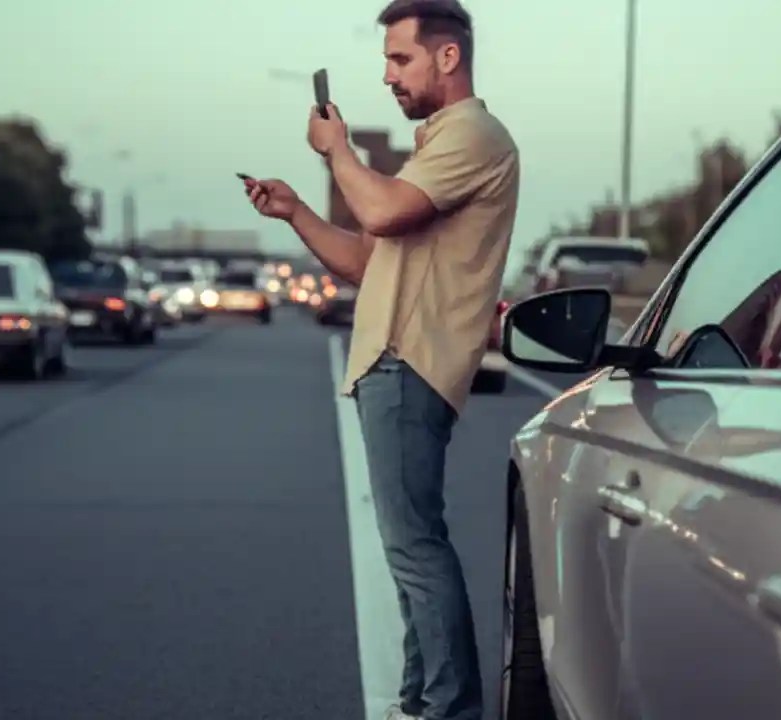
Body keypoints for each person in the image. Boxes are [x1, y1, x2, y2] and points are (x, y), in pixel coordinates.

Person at [239, 2, 518, 718]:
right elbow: (367, 259)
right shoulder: (434, 147)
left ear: (447, 58)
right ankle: (421, 702)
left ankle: (448, 710)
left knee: (417, 550)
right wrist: (298, 210)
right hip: (391, 364)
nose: (387, 76)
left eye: (400, 59)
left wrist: (338, 152)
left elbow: (384, 214)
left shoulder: (474, 135)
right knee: (410, 555)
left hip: (411, 362)